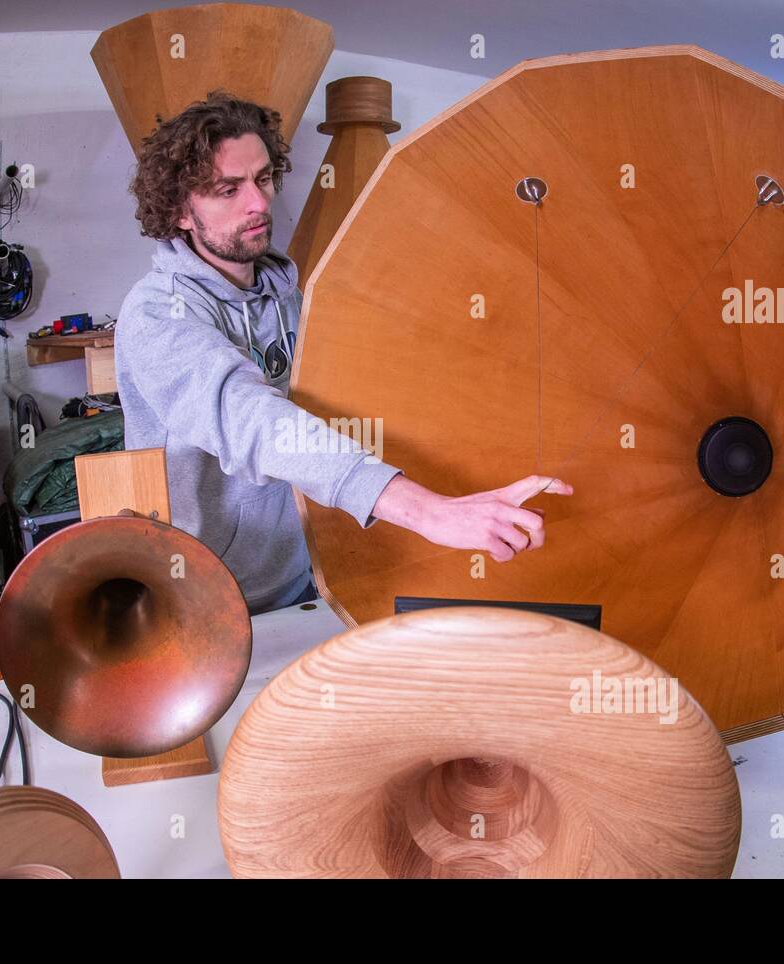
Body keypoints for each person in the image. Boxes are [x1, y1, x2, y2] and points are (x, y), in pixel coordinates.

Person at [115, 91, 572, 614]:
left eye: (263, 179)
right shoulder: (155, 313)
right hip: (211, 601)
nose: (259, 204)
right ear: (178, 211)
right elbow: (250, 419)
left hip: (313, 582)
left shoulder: (290, 294)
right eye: (228, 189)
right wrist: (427, 512)